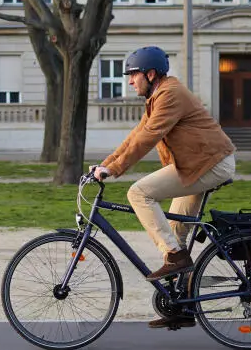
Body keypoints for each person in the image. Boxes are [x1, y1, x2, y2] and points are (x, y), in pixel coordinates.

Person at [91, 46, 236, 329]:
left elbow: (147, 138)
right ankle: (182, 305)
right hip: (195, 164)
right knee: (175, 234)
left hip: (211, 163)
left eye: (133, 75)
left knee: (139, 193)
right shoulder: (158, 96)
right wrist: (105, 164)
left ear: (150, 74)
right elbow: (136, 135)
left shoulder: (170, 95)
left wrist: (114, 170)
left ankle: (177, 257)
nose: (130, 81)